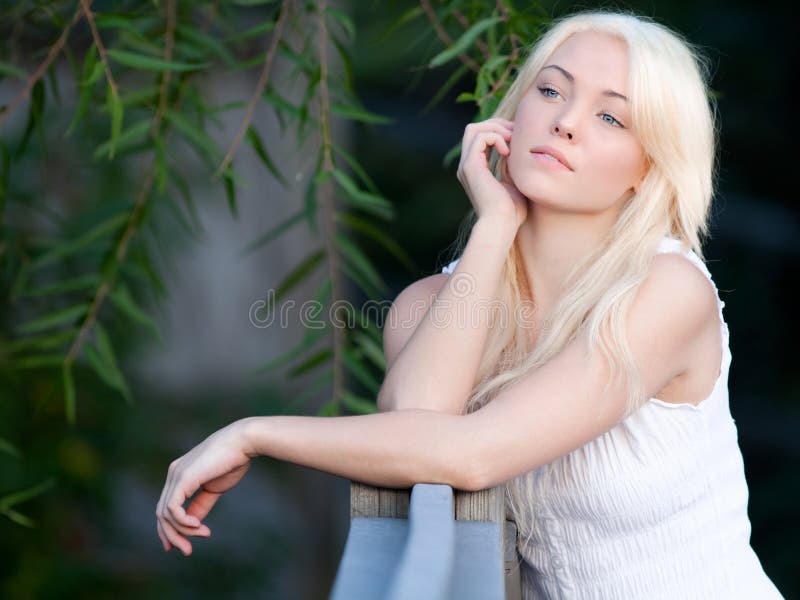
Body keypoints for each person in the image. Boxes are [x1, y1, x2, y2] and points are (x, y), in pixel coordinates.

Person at [156, 9, 785, 598]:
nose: (565, 120)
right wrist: (493, 228)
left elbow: (474, 452)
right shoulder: (429, 305)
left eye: (611, 117)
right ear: (512, 115)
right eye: (550, 90)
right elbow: (416, 431)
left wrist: (253, 433)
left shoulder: (667, 292)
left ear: (646, 171)